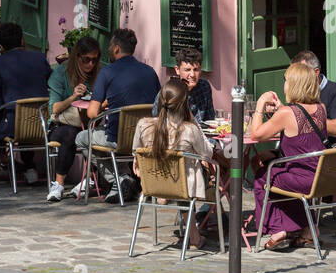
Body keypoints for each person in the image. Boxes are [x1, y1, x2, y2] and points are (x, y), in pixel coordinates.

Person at [250, 60, 327, 251]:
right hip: (320, 176)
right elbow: (303, 139)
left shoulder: (286, 113)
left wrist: (260, 104)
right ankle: (308, 229)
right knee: (277, 170)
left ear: (294, 84)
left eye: (286, 81)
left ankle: (278, 230)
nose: (284, 85)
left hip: (302, 179)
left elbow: (256, 134)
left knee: (262, 177)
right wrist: (282, 110)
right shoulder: (321, 109)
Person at [79, 29, 161, 204]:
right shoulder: (150, 71)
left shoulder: (107, 72)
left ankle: (119, 179)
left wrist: (103, 105)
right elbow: (158, 105)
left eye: (110, 46)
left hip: (119, 140)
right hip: (147, 137)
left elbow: (92, 113)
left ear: (116, 48)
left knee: (82, 138)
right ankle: (127, 180)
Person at [133, 77, 216, 249]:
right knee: (211, 176)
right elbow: (208, 152)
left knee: (181, 176)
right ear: (185, 104)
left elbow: (136, 153)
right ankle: (202, 231)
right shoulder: (189, 129)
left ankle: (191, 231)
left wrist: (138, 166)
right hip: (184, 186)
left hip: (154, 184)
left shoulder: (143, 124)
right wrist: (194, 121)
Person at [0, 23, 51, 187]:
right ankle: (29, 168)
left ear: (0, 46)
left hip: (14, 123)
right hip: (42, 119)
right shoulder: (40, 58)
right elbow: (49, 82)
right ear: (22, 40)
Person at [44, 35, 101, 202]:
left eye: (94, 60)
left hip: (88, 122)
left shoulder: (99, 73)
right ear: (77, 57)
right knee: (72, 134)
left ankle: (89, 179)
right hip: (60, 125)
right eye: (86, 60)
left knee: (94, 133)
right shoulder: (60, 74)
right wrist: (74, 96)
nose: (90, 64)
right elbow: (54, 109)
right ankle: (59, 184)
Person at [295, 49, 336, 141]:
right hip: (297, 146)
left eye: (302, 74)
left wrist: (302, 118)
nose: (297, 79)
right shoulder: (297, 89)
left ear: (316, 72)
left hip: (319, 151)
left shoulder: (335, 91)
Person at [154, 47, 215, 125]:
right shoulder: (169, 91)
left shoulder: (204, 87)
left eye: (196, 70)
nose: (192, 75)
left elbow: (210, 119)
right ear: (177, 70)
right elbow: (157, 120)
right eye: (187, 70)